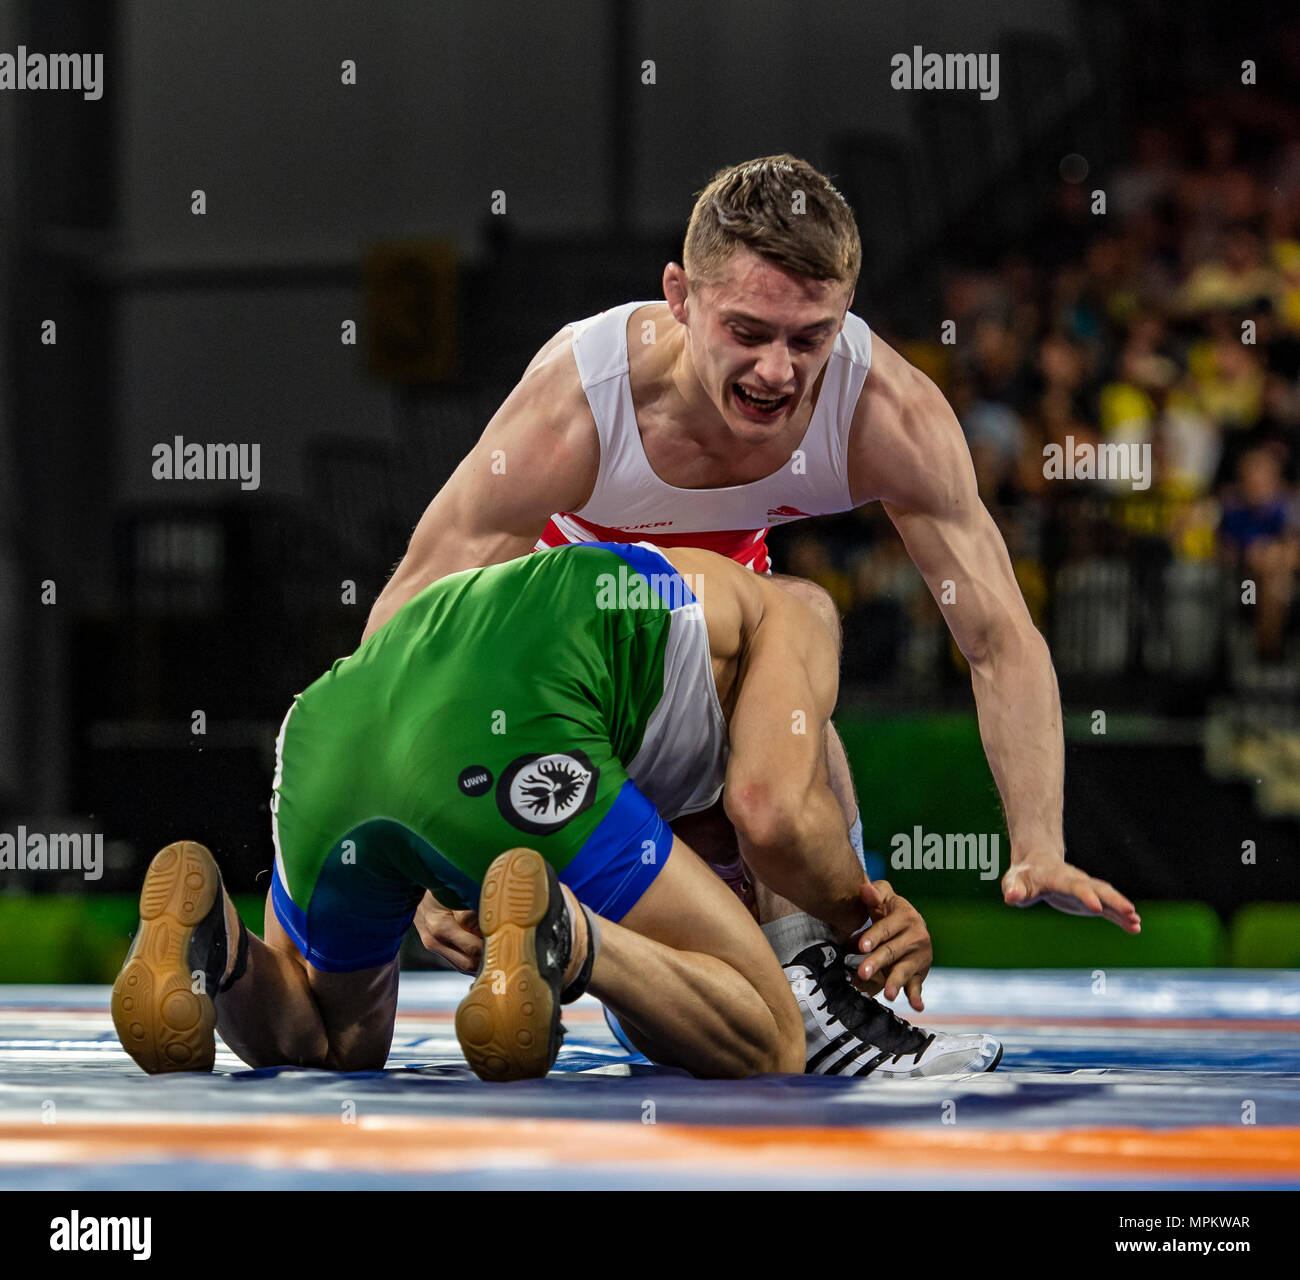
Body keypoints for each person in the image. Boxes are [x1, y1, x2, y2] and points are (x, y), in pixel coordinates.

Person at [362, 155, 1142, 1062]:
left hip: (701, 700)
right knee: (792, 620)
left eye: (811, 337)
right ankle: (747, 974)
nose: (778, 371)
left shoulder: (882, 410)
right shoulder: (581, 402)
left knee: (712, 1014)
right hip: (557, 711)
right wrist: (416, 854)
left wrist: (1037, 842)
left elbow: (1001, 638)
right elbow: (413, 620)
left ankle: (630, 949)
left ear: (846, 313)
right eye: (749, 330)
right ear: (679, 297)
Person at [112, 542, 1025, 1081]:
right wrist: (869, 913)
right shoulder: (796, 614)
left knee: (332, 1047)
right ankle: (565, 934)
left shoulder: (540, 583)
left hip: (329, 723)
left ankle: (214, 947)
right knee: (771, 1032)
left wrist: (436, 883)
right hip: (513, 733)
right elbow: (771, 809)